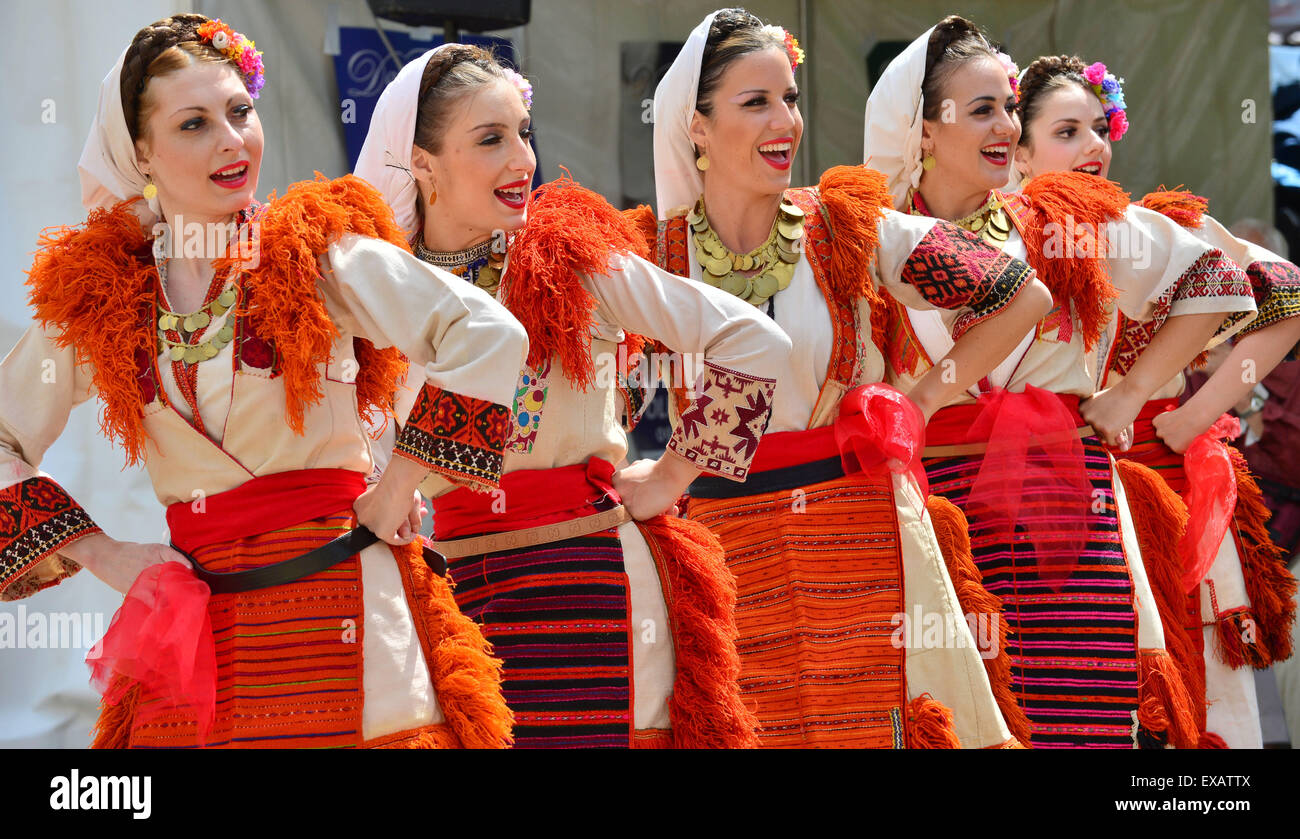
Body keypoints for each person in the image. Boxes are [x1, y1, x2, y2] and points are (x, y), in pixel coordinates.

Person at [0, 14, 528, 749]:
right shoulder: (108, 297)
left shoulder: (315, 251)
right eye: (194, 123)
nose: (231, 139)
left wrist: (396, 486)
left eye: (240, 111)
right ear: (141, 151)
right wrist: (105, 553)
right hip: (199, 647)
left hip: (351, 622)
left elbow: (488, 335)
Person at [635, 8, 1055, 748]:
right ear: (695, 126)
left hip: (855, 537)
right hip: (724, 549)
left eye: (791, 99)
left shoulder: (844, 230)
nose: (786, 120)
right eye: (756, 101)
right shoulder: (651, 251)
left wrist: (919, 402)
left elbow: (1021, 294)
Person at [355, 42, 793, 748]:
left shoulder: (569, 258)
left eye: (524, 134)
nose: (522, 160)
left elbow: (756, 342)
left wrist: (675, 472)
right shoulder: (380, 292)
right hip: (453, 599)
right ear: (424, 165)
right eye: (491, 139)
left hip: (589, 582)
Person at [864, 15, 1260, 748]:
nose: (1005, 127)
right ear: (921, 130)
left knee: (1079, 721)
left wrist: (1131, 392)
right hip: (933, 524)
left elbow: (1220, 279)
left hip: (1067, 524)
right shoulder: (871, 241)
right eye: (982, 109)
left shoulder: (1058, 223)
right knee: (953, 721)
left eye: (1010, 109)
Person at [1012, 53, 1298, 747]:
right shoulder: (995, 240)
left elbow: (1285, 297)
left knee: (1191, 695)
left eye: (1099, 128)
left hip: (1161, 484)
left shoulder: (1159, 231)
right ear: (1015, 152)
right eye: (1067, 131)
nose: (1093, 147)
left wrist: (1192, 415)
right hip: (1045, 492)